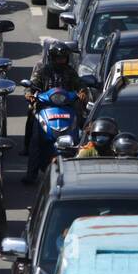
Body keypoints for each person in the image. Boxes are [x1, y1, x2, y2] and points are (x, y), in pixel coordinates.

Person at [22, 40, 86, 176]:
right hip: (46, 106)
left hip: (66, 106)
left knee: (82, 117)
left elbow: (80, 84)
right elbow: (32, 84)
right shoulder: (44, 71)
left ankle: (84, 143)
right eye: (58, 58)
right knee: (32, 118)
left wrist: (82, 92)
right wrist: (29, 94)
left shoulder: (70, 72)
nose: (60, 60)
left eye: (63, 58)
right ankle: (30, 171)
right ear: (52, 58)